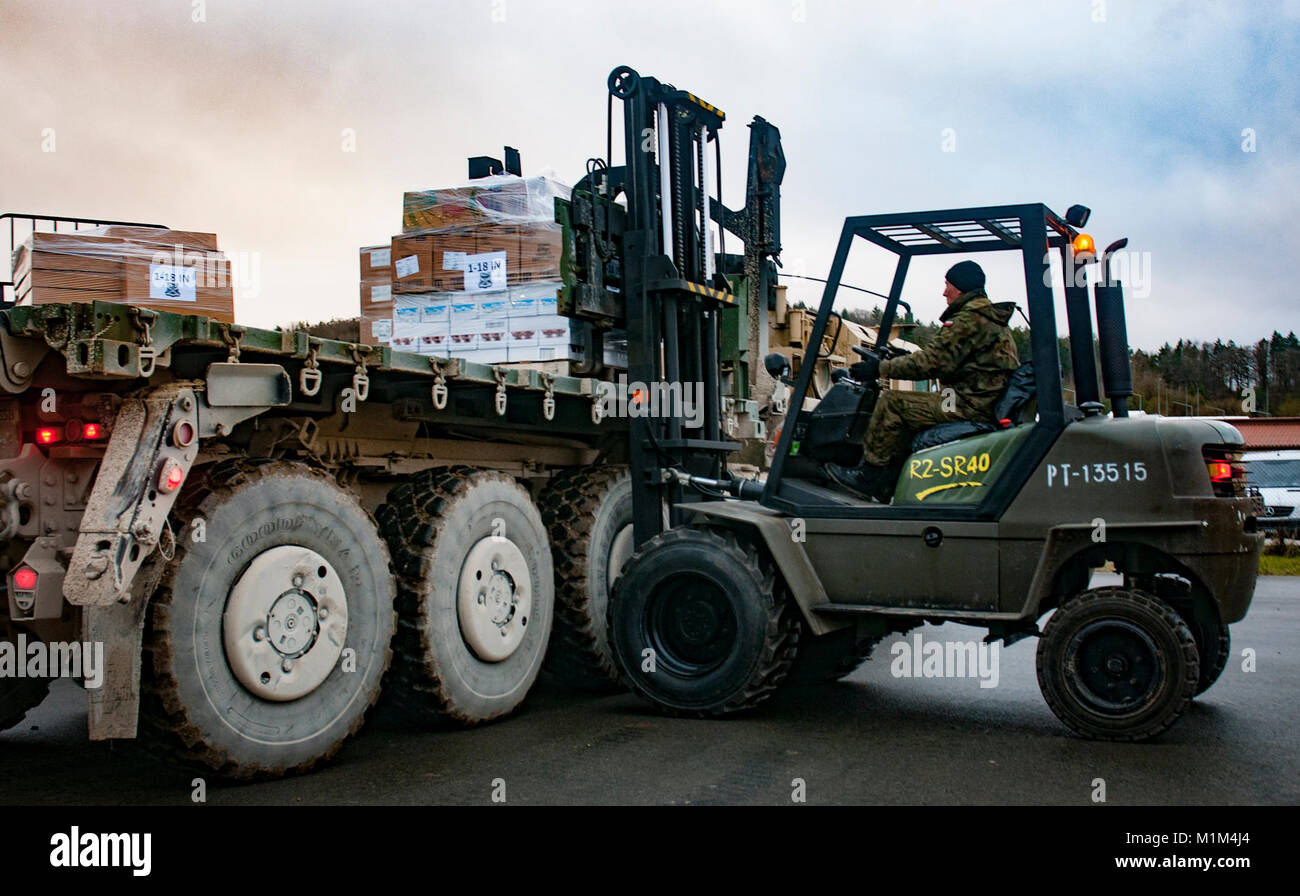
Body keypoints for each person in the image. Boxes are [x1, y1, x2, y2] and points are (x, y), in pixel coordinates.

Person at [825, 260, 1019, 502]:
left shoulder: (969, 319)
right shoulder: (989, 319)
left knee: (892, 403)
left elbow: (932, 363)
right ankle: (889, 482)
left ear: (960, 288)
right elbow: (946, 359)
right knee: (909, 415)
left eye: (947, 285)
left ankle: (868, 477)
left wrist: (880, 368)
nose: (944, 291)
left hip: (964, 404)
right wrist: (902, 361)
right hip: (981, 400)